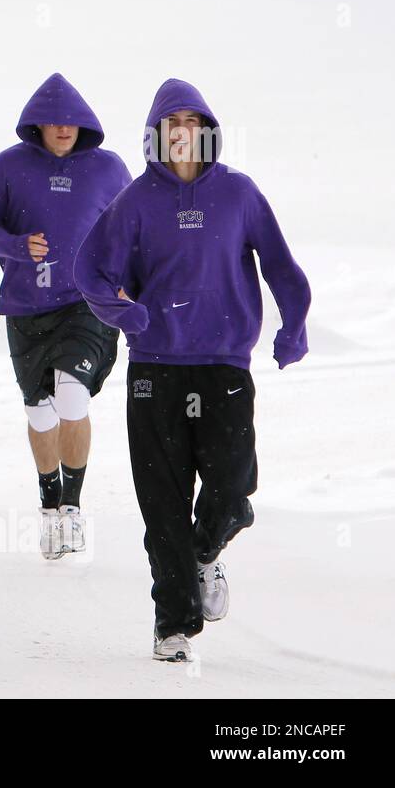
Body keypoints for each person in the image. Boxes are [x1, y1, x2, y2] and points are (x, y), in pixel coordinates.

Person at [73, 78, 310, 662]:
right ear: (157, 135)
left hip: (224, 363)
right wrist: (124, 313)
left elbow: (280, 263)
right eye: (171, 123)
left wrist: (293, 325)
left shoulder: (239, 194)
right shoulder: (135, 200)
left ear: (207, 132)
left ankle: (205, 552)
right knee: (163, 501)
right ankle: (172, 623)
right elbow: (89, 270)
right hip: (156, 367)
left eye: (192, 122)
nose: (182, 133)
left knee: (232, 489)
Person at [0, 73, 131, 559]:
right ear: (37, 125)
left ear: (85, 124)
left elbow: (136, 229)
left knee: (72, 394)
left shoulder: (109, 169)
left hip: (88, 304)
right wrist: (15, 246)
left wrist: (129, 281)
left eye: (71, 121)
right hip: (26, 308)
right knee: (40, 410)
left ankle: (72, 509)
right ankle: (50, 499)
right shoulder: (9, 168)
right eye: (52, 121)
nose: (62, 128)